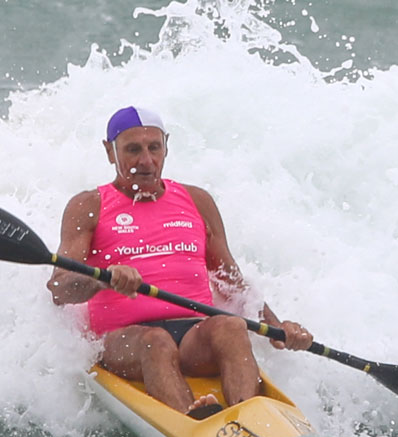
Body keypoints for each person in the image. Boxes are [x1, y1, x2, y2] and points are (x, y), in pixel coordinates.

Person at [46, 106, 313, 419]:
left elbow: (231, 281)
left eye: (154, 148)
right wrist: (102, 279)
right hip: (125, 340)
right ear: (109, 151)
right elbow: (59, 289)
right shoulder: (89, 205)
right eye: (133, 150)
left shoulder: (196, 200)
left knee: (230, 326)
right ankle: (193, 421)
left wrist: (277, 327)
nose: (146, 161)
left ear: (166, 146)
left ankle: (249, 418)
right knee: (155, 342)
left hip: (194, 336)